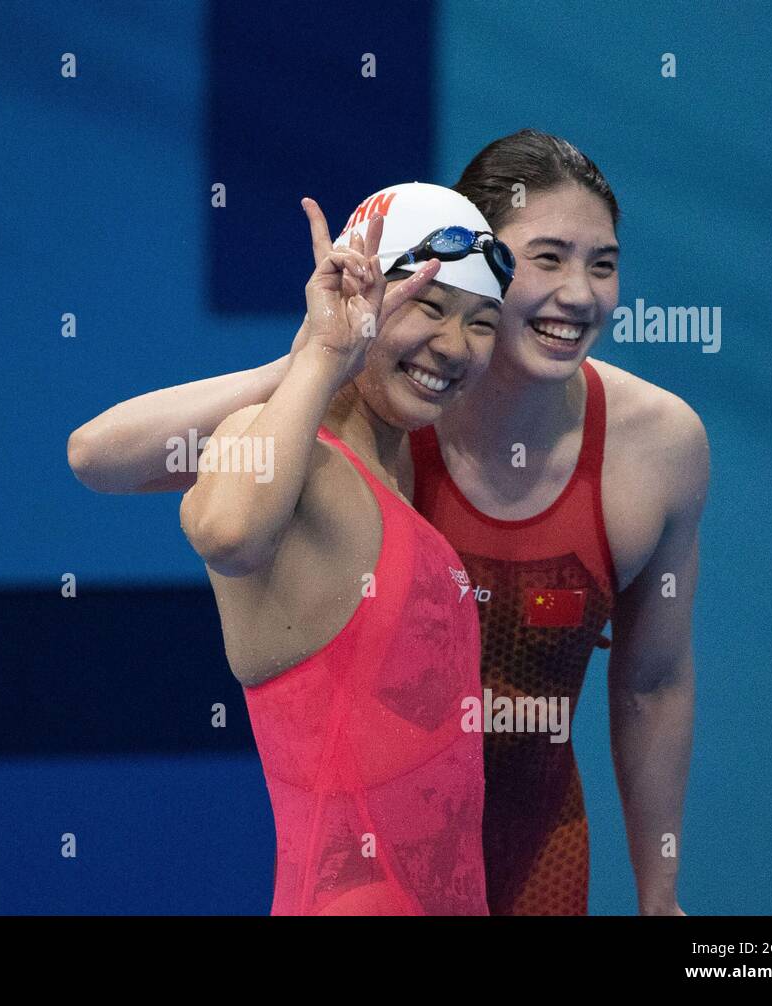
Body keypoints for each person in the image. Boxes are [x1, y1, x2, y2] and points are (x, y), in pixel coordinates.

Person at [68, 131, 708, 916]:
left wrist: (661, 896)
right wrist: (311, 356)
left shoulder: (642, 443)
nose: (577, 293)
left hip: (518, 870)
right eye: (545, 258)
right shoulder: (319, 432)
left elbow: (654, 681)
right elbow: (112, 464)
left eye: (602, 263)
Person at [154, 182, 509, 914]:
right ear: (364, 296)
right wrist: (318, 354)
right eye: (431, 307)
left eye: (483, 322)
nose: (454, 345)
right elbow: (220, 529)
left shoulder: (395, 477)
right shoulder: (291, 461)